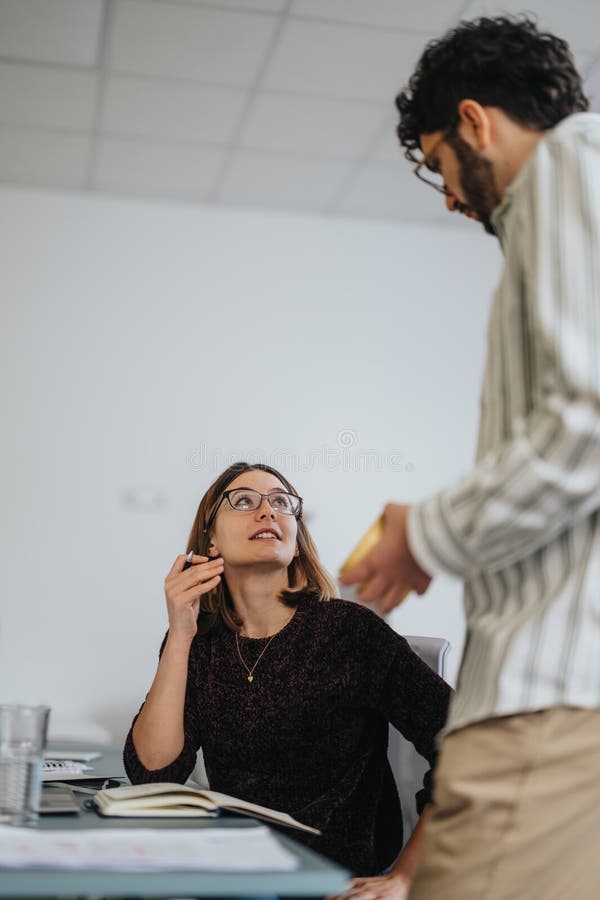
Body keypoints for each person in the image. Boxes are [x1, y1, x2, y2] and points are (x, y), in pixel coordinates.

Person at [340, 15, 600, 900]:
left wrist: (427, 533)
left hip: (551, 699)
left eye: (437, 160)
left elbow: (589, 420)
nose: (449, 194)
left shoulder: (569, 163)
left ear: (475, 121)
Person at [123, 462, 450, 894]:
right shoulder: (199, 641)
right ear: (211, 539)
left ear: (296, 542)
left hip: (332, 879)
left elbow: (465, 748)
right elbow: (153, 778)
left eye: (281, 502)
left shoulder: (350, 632)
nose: (267, 511)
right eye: (243, 501)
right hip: (239, 872)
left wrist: (406, 878)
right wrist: (181, 634)